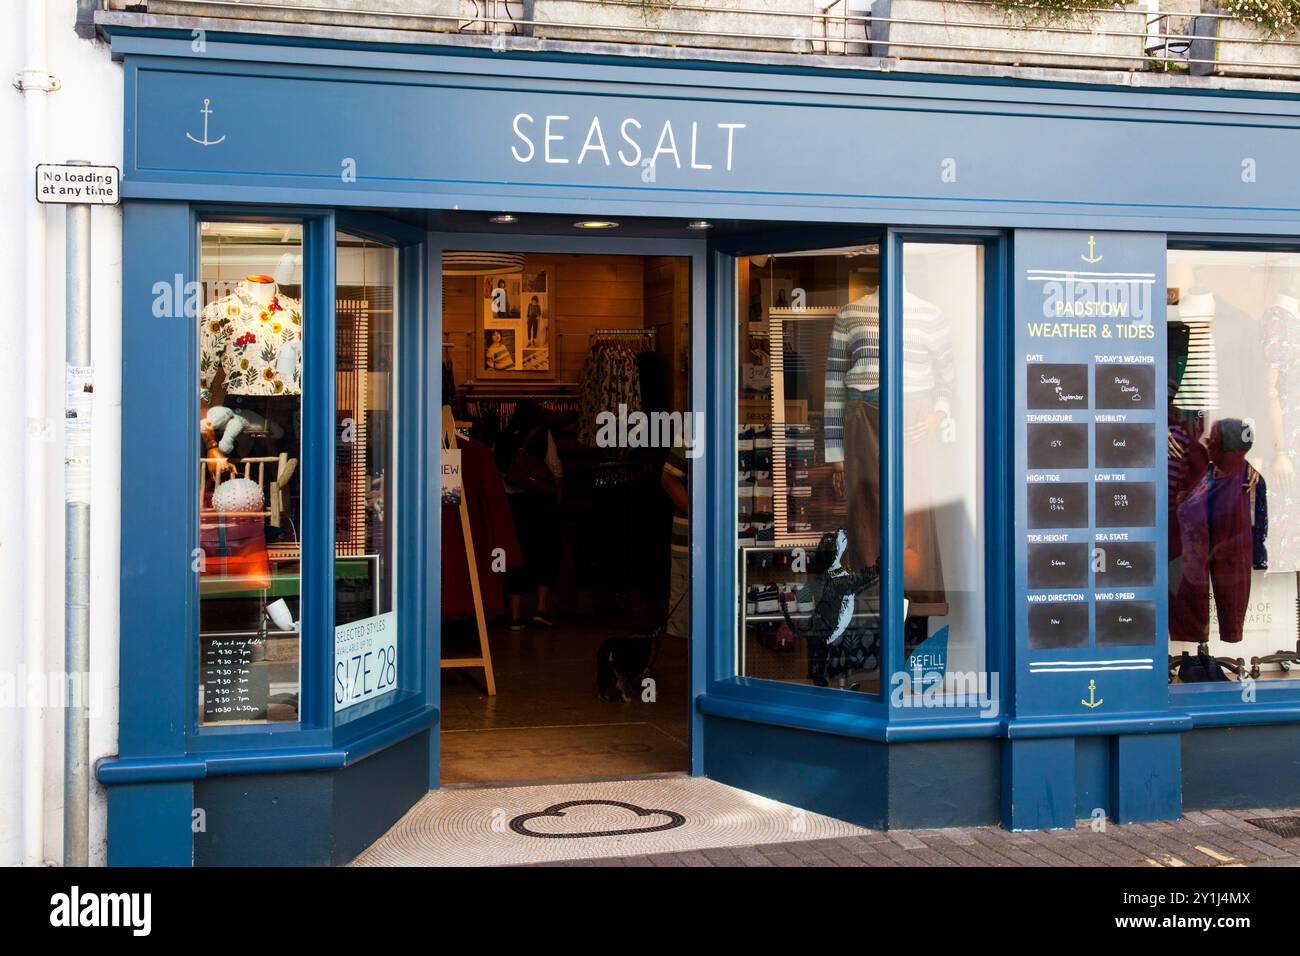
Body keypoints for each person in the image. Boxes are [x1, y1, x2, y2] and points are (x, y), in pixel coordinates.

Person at [494, 400, 563, 630]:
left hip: (511, 505)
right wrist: (557, 499)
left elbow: (496, 475)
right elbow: (556, 469)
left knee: (515, 557)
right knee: (544, 554)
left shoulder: (502, 436)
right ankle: (540, 609)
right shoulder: (542, 434)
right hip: (539, 505)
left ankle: (515, 615)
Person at [661, 442, 690, 638]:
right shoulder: (694, 427)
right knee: (683, 627)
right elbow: (669, 477)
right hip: (689, 544)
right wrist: (701, 518)